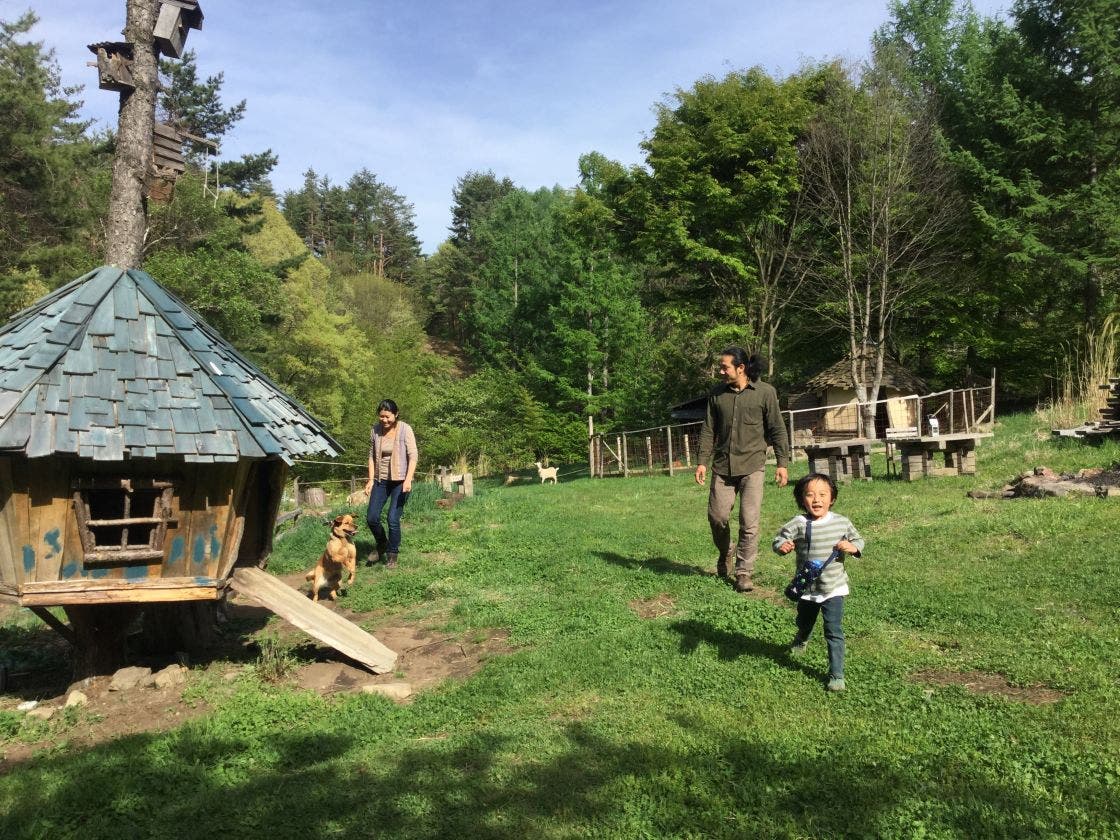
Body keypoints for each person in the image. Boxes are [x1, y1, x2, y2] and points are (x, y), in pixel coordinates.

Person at [695, 347, 790, 592]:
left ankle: (744, 572)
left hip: (753, 466)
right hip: (722, 466)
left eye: (724, 366)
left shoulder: (765, 393)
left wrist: (782, 463)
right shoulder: (717, 395)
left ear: (741, 368)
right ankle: (726, 551)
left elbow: (777, 429)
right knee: (717, 517)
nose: (720, 371)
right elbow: (708, 430)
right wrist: (702, 461)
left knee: (749, 522)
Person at [773, 473, 865, 692]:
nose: (817, 500)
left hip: (834, 587)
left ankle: (837, 675)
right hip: (806, 588)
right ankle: (802, 637)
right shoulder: (799, 523)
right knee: (804, 621)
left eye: (823, 494)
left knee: (833, 630)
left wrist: (853, 548)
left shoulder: (842, 522)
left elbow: (858, 539)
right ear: (801, 499)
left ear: (832, 497)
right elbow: (779, 539)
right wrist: (782, 546)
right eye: (810, 495)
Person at [364, 399, 418, 568]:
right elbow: (371, 457)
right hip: (381, 480)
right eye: (381, 417)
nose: (384, 420)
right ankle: (382, 543)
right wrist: (371, 480)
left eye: (388, 417)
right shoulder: (375, 431)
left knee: (392, 518)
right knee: (372, 518)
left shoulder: (405, 429)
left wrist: (408, 479)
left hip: (401, 481)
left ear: (396, 414)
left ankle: (392, 554)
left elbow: (413, 455)